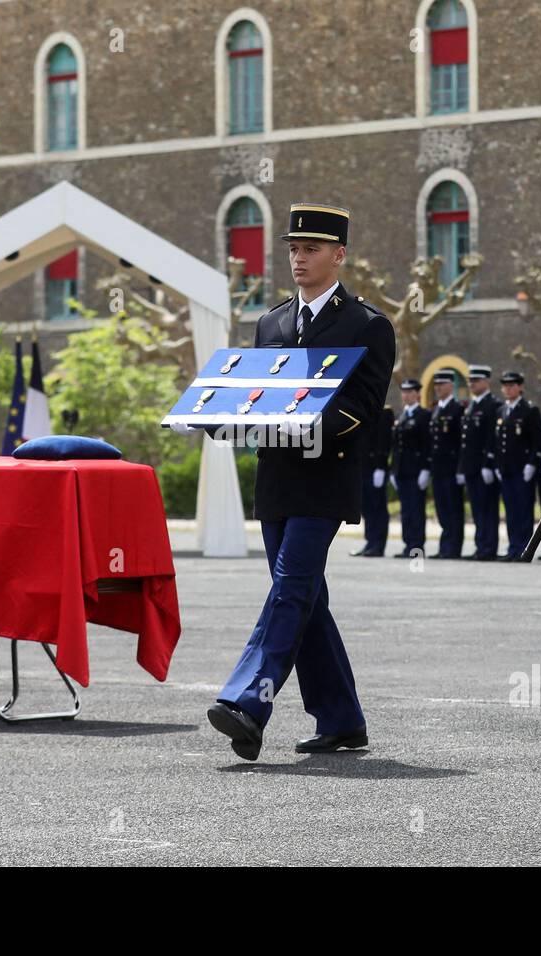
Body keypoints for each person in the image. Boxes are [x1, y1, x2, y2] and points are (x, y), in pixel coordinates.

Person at [208, 202, 396, 761]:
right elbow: (252, 396)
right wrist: (229, 417)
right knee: (306, 600)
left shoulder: (367, 325)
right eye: (293, 248)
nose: (298, 257)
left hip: (324, 479)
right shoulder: (270, 322)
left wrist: (303, 427)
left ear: (339, 255)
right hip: (277, 481)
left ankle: (248, 701)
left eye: (311, 248)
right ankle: (341, 720)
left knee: (290, 587)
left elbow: (363, 409)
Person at [494, 371, 541, 560]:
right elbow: (498, 442)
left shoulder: (529, 410)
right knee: (510, 510)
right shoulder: (501, 411)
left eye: (512, 385)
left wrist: (532, 463)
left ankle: (524, 548)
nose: (508, 388)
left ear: (520, 387)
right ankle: (513, 546)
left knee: (524, 510)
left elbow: (536, 441)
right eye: (505, 385)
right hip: (506, 468)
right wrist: (497, 464)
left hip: (523, 469)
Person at [459, 365, 500, 560]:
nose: (472, 384)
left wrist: (487, 463)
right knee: (477, 509)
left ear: (486, 381)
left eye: (476, 380)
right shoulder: (472, 406)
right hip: (471, 466)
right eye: (470, 381)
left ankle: (488, 547)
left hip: (483, 466)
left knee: (487, 508)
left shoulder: (492, 405)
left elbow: (491, 437)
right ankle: (480, 545)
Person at [391, 379, 431, 558]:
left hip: (416, 471)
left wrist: (425, 469)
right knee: (406, 511)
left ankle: (417, 547)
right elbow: (396, 447)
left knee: (416, 511)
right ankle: (408, 545)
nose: (405, 395)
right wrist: (393, 470)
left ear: (417, 394)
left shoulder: (423, 415)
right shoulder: (401, 415)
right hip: (401, 471)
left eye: (409, 392)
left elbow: (426, 445)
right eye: (404, 392)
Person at [428, 369, 465, 559]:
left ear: (451, 386)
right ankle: (445, 546)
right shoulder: (436, 410)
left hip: (451, 468)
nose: (438, 388)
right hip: (438, 468)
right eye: (436, 385)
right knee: (442, 509)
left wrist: (460, 468)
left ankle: (453, 547)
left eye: (442, 385)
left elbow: (461, 442)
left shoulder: (458, 409)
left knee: (453, 509)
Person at [352, 404, 393, 557]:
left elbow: (384, 441)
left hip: (375, 466)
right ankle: (370, 541)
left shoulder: (384, 411)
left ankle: (378, 544)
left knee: (377, 507)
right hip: (363, 466)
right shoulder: (363, 409)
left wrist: (381, 467)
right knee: (366, 507)